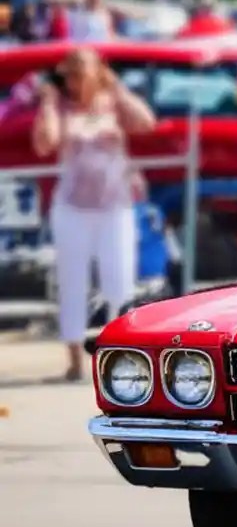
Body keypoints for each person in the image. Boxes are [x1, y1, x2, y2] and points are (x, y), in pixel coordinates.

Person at [32, 48, 156, 380]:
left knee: (120, 280)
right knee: (72, 282)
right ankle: (74, 358)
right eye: (70, 74)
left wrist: (116, 88)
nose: (76, 81)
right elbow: (45, 143)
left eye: (82, 72)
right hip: (72, 207)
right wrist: (47, 102)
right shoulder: (60, 106)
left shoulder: (112, 103)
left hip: (114, 204)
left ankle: (127, 355)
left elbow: (146, 122)